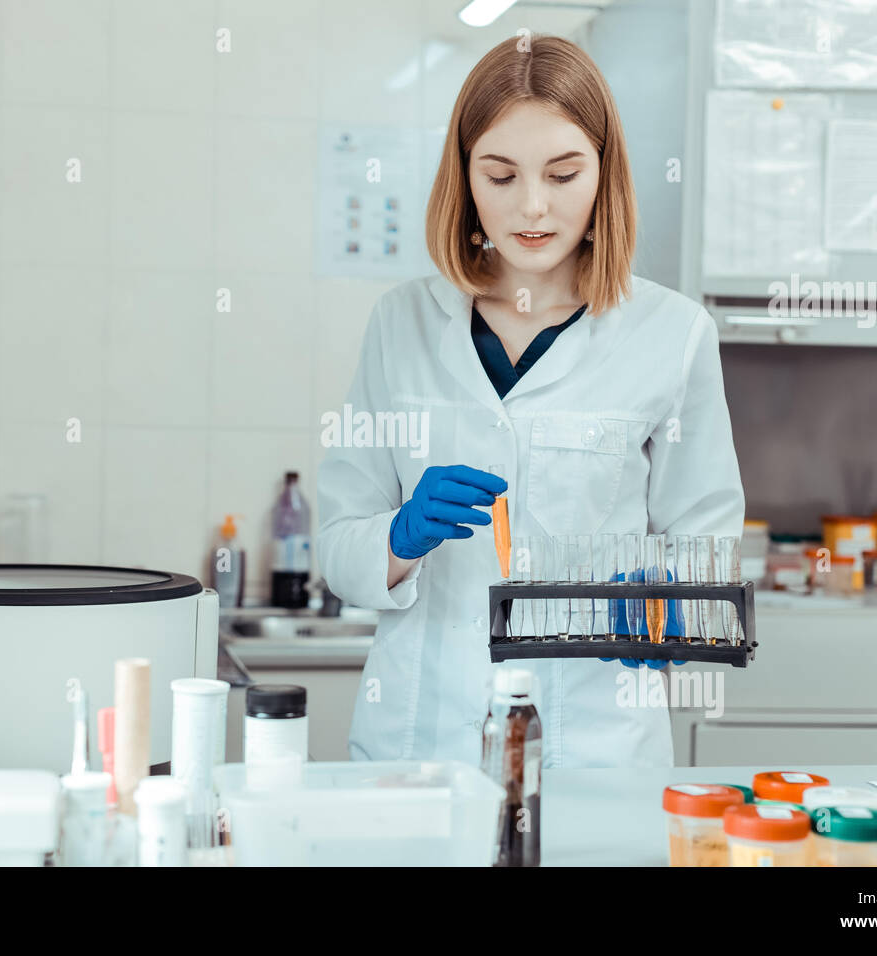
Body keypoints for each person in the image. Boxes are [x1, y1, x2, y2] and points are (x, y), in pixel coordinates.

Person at [316, 35, 744, 768]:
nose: (533, 205)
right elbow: (338, 547)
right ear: (465, 177)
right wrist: (398, 538)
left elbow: (710, 556)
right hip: (418, 749)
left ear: (604, 173)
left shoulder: (672, 333)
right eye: (501, 174)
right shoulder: (401, 323)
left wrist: (672, 608)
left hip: (595, 753)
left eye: (564, 173)